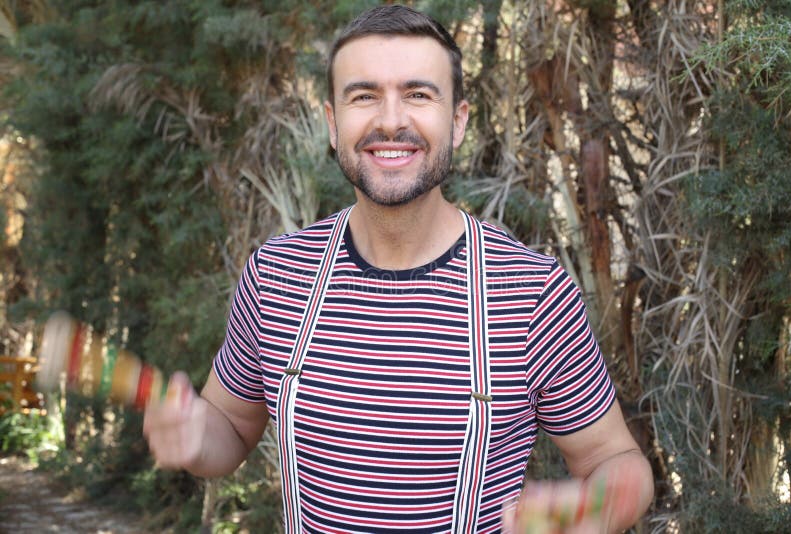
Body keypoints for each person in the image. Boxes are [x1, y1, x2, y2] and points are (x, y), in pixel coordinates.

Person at [143, 5, 654, 533]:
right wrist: (191, 434)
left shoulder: (530, 291)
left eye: (418, 94)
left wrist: (594, 508)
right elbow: (229, 428)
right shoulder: (277, 275)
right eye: (364, 96)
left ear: (457, 122)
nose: (390, 120)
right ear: (332, 123)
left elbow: (614, 462)